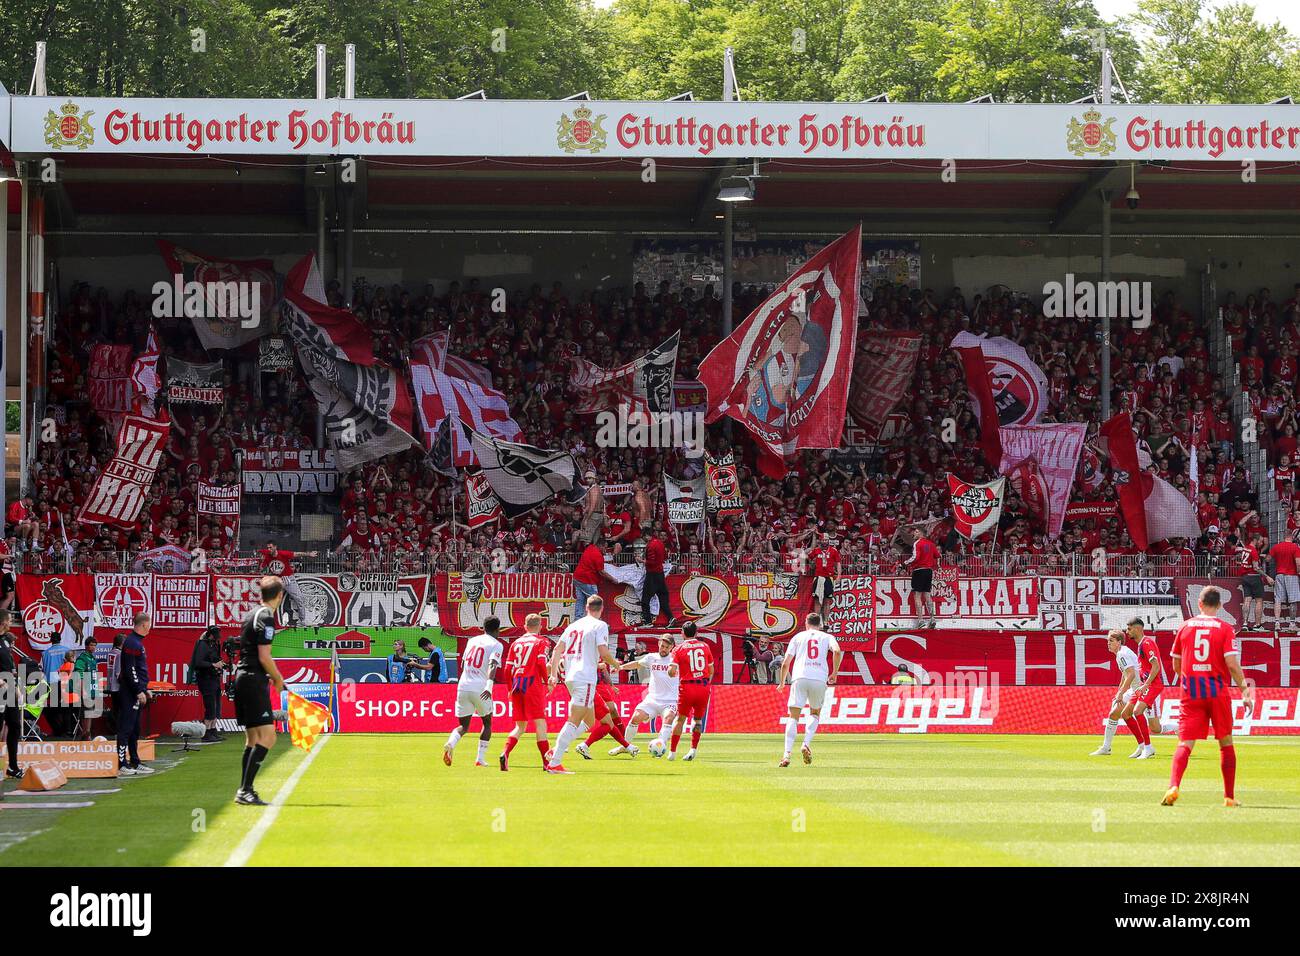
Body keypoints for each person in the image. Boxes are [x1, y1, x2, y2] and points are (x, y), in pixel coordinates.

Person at [1163, 586, 1255, 807]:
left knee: (1185, 742)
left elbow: (1175, 663)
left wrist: (1188, 679)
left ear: (1199, 604)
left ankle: (1173, 785)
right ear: (1220, 606)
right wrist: (1245, 692)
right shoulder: (1225, 629)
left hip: (1191, 690)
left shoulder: (1185, 626)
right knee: (1226, 742)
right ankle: (1229, 797)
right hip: (1216, 689)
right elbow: (1232, 665)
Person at [546, 594, 618, 774]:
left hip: (571, 677)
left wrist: (554, 675)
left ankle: (556, 750)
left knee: (589, 719)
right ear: (601, 609)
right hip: (584, 677)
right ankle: (555, 762)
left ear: (586, 608)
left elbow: (557, 650)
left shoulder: (573, 626)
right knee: (574, 719)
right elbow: (603, 650)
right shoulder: (599, 625)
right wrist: (616, 664)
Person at [233, 576, 288, 806]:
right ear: (280, 596)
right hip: (253, 681)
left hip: (242, 677)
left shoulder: (250, 615)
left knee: (253, 738)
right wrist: (277, 678)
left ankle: (243, 791)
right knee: (269, 736)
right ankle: (246, 790)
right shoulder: (266, 617)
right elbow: (265, 657)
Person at [777, 612, 842, 767]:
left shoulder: (798, 637)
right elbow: (837, 651)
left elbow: (786, 663)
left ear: (806, 622)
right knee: (814, 712)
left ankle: (786, 755)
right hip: (819, 678)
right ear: (820, 624)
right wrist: (834, 672)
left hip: (800, 677)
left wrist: (781, 682)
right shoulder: (827, 637)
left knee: (793, 716)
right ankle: (806, 743)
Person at [442, 616, 503, 767]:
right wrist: (489, 685)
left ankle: (451, 743)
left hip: (463, 685)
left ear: (483, 628)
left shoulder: (471, 641)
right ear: (497, 630)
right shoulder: (496, 644)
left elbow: (464, 663)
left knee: (464, 726)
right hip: (481, 687)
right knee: (487, 722)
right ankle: (480, 759)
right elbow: (493, 664)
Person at [498, 613, 551, 772]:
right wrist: (546, 680)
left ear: (525, 627)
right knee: (540, 723)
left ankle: (505, 752)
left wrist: (509, 688)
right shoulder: (542, 641)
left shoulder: (516, 643)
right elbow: (541, 663)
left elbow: (507, 669)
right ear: (540, 626)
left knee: (520, 726)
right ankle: (546, 763)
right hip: (532, 684)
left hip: (517, 684)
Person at [1089, 629, 1151, 758]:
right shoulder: (1121, 653)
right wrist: (1119, 692)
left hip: (1142, 689)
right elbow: (1126, 674)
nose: (1108, 643)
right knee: (1115, 713)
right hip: (1135, 690)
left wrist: (1121, 693)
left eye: (1111, 640)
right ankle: (1107, 747)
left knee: (1156, 726)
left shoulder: (1122, 654)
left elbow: (1131, 674)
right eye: (1108, 641)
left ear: (1119, 642)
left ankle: (1175, 728)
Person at [616, 634, 680, 757]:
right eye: (662, 646)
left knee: (668, 719)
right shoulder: (652, 657)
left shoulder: (676, 659)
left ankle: (660, 747)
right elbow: (637, 664)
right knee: (635, 718)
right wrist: (621, 667)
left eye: (667, 647)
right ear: (658, 644)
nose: (664, 649)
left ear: (672, 647)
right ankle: (626, 746)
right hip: (652, 700)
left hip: (670, 700)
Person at [667, 622, 714, 761]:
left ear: (682, 633)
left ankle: (672, 752)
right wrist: (705, 683)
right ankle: (693, 750)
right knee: (698, 720)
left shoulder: (678, 649)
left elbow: (671, 671)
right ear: (696, 633)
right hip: (703, 687)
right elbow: (711, 670)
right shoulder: (705, 646)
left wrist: (672, 672)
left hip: (687, 687)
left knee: (680, 719)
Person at [115, 612, 153, 777]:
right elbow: (130, 670)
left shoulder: (136, 642)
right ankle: (121, 764)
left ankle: (135, 762)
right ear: (144, 625)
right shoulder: (132, 643)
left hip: (136, 691)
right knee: (126, 728)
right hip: (129, 693)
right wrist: (138, 690)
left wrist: (144, 689)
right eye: (149, 625)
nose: (150, 628)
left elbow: (138, 670)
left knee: (135, 728)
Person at [1123, 618, 1167, 749]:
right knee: (1126, 714)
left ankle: (1148, 748)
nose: (1127, 632)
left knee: (1141, 715)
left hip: (1153, 686)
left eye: (1129, 629)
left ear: (1138, 629)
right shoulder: (1141, 644)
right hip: (1144, 686)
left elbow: (1156, 666)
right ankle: (1142, 746)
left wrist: (1146, 684)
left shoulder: (1147, 643)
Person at [576, 662, 634, 759]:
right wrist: (611, 663)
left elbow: (604, 669)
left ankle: (626, 744)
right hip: (592, 686)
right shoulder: (588, 652)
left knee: (610, 715)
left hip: (595, 685)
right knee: (606, 722)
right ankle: (581, 745)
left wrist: (611, 685)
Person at [259, 542, 320, 627]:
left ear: (275, 547)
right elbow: (261, 565)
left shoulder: (283, 554)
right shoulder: (266, 554)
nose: (269, 549)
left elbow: (297, 554)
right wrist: (261, 561)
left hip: (288, 579)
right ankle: (266, 622)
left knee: (299, 598)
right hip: (277, 580)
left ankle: (303, 621)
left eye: (271, 547)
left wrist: (309, 554)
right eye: (268, 548)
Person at [190, 626, 226, 742]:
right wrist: (213, 665)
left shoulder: (214, 645)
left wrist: (221, 664)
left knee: (216, 706)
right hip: (205, 679)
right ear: (211, 635)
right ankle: (206, 733)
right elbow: (198, 662)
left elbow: (215, 659)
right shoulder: (202, 645)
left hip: (214, 679)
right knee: (210, 706)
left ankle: (212, 730)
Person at [0, 612, 23, 780]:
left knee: (14, 725)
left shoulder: (5, 641)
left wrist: (15, 688)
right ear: (2, 622)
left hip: (9, 689)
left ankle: (13, 766)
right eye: (9, 619)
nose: (11, 622)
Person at [904, 527, 939, 627]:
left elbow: (916, 557)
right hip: (929, 571)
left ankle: (920, 620)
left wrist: (906, 562)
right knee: (927, 595)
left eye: (916, 531)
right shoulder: (931, 544)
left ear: (921, 533)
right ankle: (932, 619)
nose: (913, 533)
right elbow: (937, 555)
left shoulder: (917, 543)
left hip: (919, 571)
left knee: (917, 596)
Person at [640, 522, 673, 626]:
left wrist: (642, 561)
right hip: (660, 574)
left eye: (643, 537)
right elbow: (664, 557)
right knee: (663, 599)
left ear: (646, 535)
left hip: (652, 575)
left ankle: (648, 621)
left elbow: (652, 561)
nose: (643, 539)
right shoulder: (660, 543)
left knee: (645, 599)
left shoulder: (650, 546)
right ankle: (671, 618)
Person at [1267, 531, 1300, 630]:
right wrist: (1298, 572)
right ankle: (1292, 624)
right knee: (1293, 600)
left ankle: (1277, 623)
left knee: (1278, 600)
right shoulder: (1295, 548)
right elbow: (1298, 563)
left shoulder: (1277, 547)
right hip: (1292, 575)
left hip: (1279, 575)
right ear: (1292, 537)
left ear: (1283, 536)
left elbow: (1268, 559)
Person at [1235, 533, 1267, 629]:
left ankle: (1245, 623)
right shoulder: (1253, 551)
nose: (1261, 543)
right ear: (1255, 540)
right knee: (1259, 601)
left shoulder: (1246, 548)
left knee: (1247, 599)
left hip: (1245, 577)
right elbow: (1256, 567)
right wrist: (1267, 577)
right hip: (1254, 577)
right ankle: (1257, 624)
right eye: (1260, 541)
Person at [808, 532, 841, 619]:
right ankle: (817, 621)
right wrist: (812, 564)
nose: (825, 541)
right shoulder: (816, 550)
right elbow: (808, 557)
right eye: (823, 540)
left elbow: (838, 563)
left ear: (829, 541)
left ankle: (826, 621)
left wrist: (839, 576)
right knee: (817, 601)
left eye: (826, 540)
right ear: (820, 541)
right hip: (818, 577)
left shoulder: (834, 551)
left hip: (829, 578)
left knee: (827, 601)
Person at [73, 638, 102, 740]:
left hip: (93, 690)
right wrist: (82, 691)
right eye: (91, 645)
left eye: (94, 645)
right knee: (86, 713)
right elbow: (78, 676)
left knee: (90, 713)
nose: (93, 647)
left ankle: (86, 735)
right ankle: (86, 735)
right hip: (85, 690)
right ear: (86, 646)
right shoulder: (81, 659)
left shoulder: (93, 659)